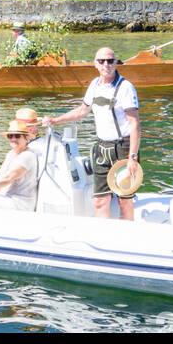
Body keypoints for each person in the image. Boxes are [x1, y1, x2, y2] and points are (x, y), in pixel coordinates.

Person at [41, 47, 141, 221]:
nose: (106, 64)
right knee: (100, 201)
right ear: (95, 64)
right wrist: (56, 120)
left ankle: (127, 238)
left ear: (116, 63)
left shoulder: (126, 87)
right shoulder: (94, 85)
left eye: (110, 60)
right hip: (102, 148)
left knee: (124, 201)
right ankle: (102, 240)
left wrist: (132, 157)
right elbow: (82, 111)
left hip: (124, 149)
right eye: (101, 61)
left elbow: (135, 124)